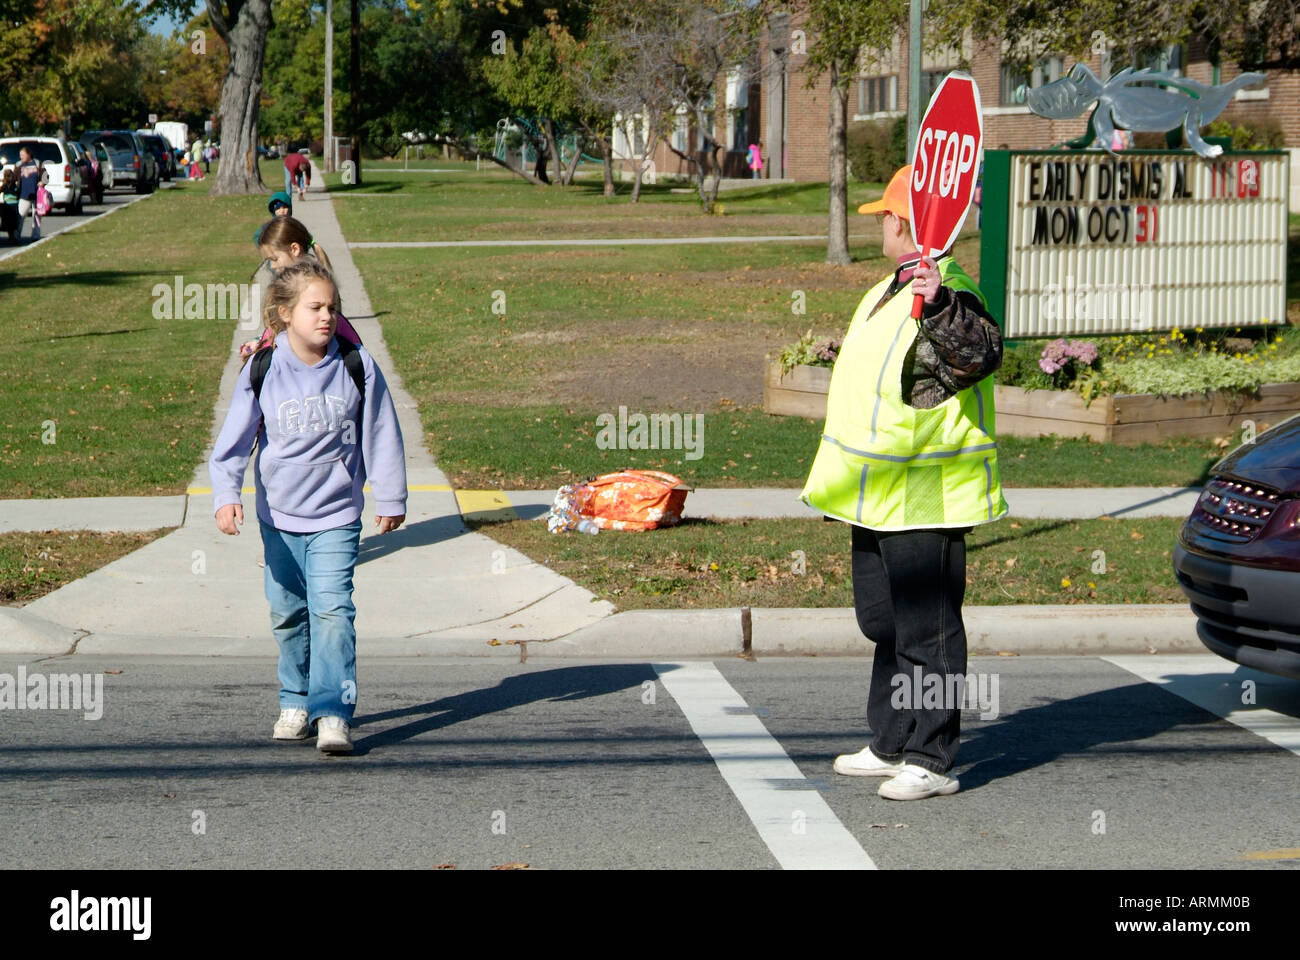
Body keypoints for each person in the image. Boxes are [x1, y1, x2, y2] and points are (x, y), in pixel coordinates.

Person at [800, 164, 1006, 801]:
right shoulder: (887, 287)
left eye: (884, 218)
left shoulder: (954, 290)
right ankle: (890, 740)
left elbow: (980, 351)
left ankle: (932, 755)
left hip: (925, 491)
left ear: (902, 221)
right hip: (876, 489)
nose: (881, 228)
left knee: (929, 628)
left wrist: (941, 300)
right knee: (884, 621)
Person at [209, 258, 407, 754]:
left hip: (337, 515)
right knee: (288, 613)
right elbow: (234, 442)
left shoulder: (356, 366)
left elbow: (380, 431)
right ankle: (295, 700)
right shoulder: (264, 369)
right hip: (277, 516)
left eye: (332, 307)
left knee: (334, 611)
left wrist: (390, 493)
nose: (326, 316)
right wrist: (226, 495)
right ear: (283, 314)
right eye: (315, 307)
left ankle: (333, 712)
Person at [241, 216, 358, 360]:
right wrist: (260, 342)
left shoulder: (316, 289)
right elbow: (280, 331)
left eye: (275, 259)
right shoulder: (279, 289)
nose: (272, 266)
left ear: (295, 249)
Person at [15, 146, 47, 241]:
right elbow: (14, 177)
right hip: (24, 194)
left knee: (37, 216)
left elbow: (46, 176)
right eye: (20, 155)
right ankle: (17, 235)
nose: (21, 157)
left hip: (37, 194)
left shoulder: (37, 164)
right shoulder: (19, 165)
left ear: (28, 154)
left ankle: (35, 235)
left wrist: (42, 182)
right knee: (20, 215)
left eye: (23, 155)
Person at [1, 167, 20, 241]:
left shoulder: (6, 185)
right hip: (12, 205)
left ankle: (11, 236)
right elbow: (17, 193)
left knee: (9, 222)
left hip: (9, 205)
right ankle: (12, 236)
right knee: (13, 222)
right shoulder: (13, 185)